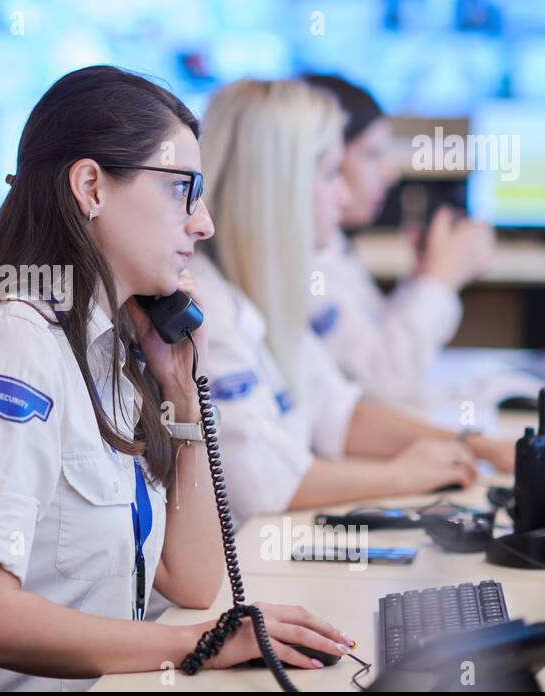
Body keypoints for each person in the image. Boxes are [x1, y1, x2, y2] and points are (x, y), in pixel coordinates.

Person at [0, 66, 353, 691]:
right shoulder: (12, 350)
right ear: (91, 186)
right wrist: (193, 643)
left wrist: (181, 393)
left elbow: (193, 577)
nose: (203, 223)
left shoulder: (107, 351)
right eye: (183, 189)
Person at [192, 78, 514, 519]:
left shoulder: (253, 290)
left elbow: (338, 411)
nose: (341, 196)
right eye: (329, 174)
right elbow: (262, 483)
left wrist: (476, 446)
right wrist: (402, 476)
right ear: (279, 189)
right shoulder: (212, 308)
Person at [300, 74, 494, 405]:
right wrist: (440, 279)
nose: (389, 174)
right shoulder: (304, 262)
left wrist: (422, 277)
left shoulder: (332, 247)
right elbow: (385, 384)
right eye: (371, 155)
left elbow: (375, 340)